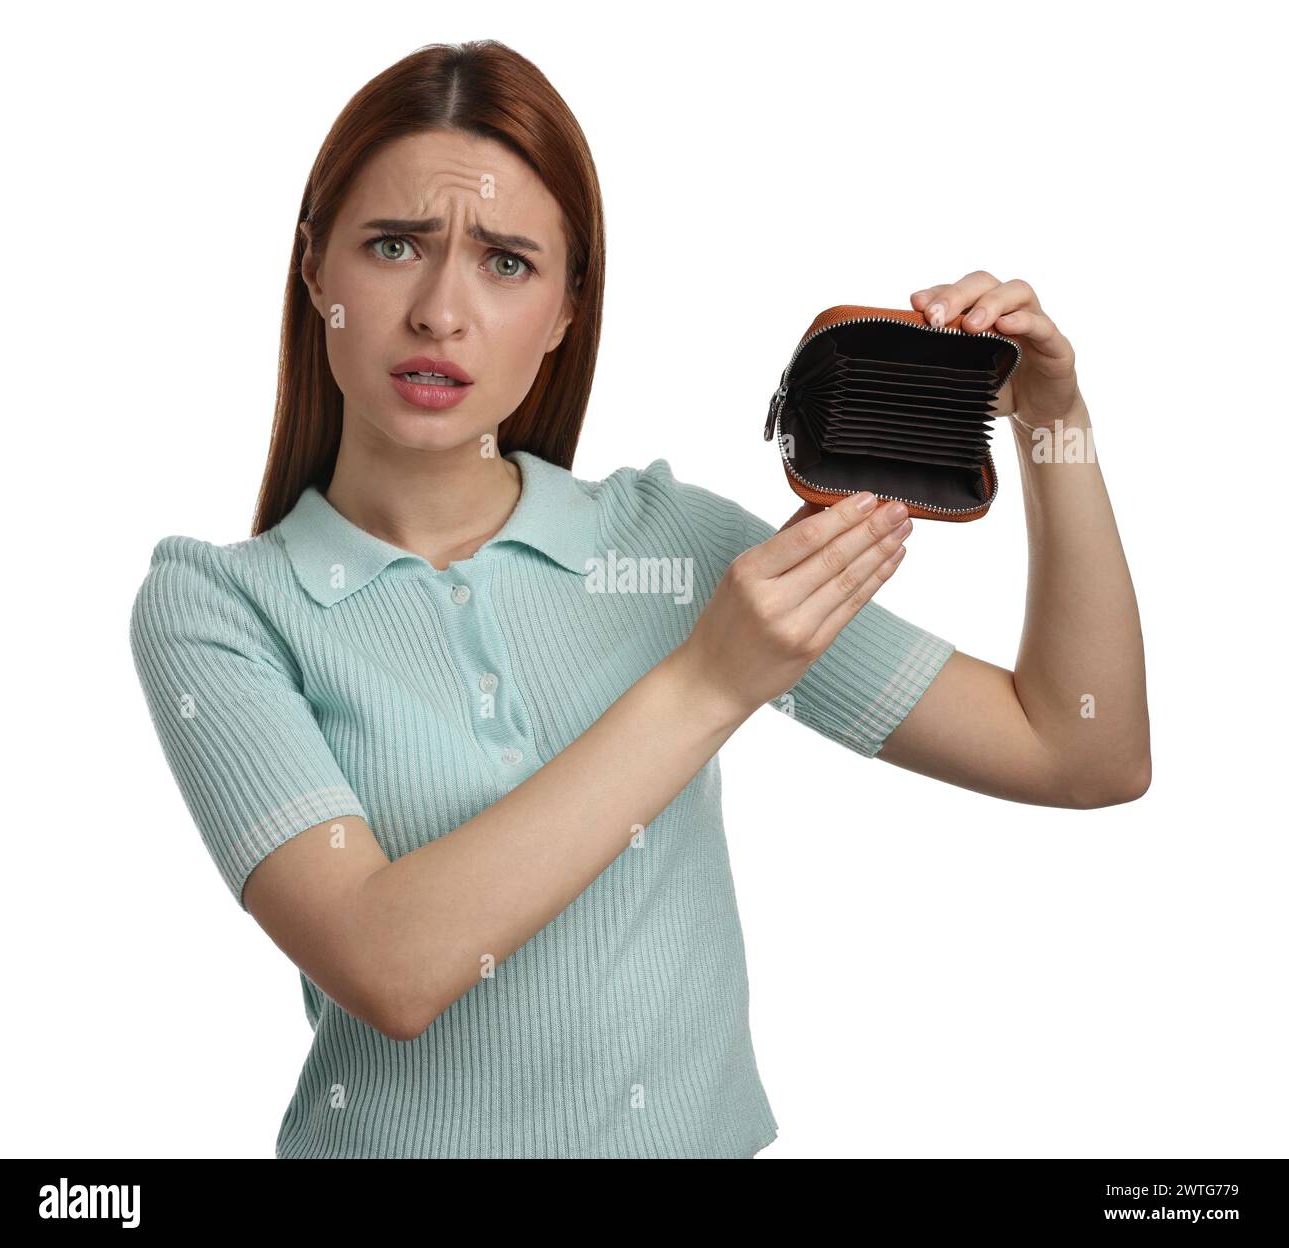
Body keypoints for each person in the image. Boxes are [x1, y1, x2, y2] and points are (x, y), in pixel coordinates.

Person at [128, 40, 1151, 1159]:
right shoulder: (217, 610)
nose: (438, 312)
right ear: (316, 270)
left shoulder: (671, 547)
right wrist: (711, 679)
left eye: (506, 263)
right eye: (393, 246)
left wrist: (1054, 421)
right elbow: (390, 967)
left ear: (570, 309)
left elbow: (1082, 753)